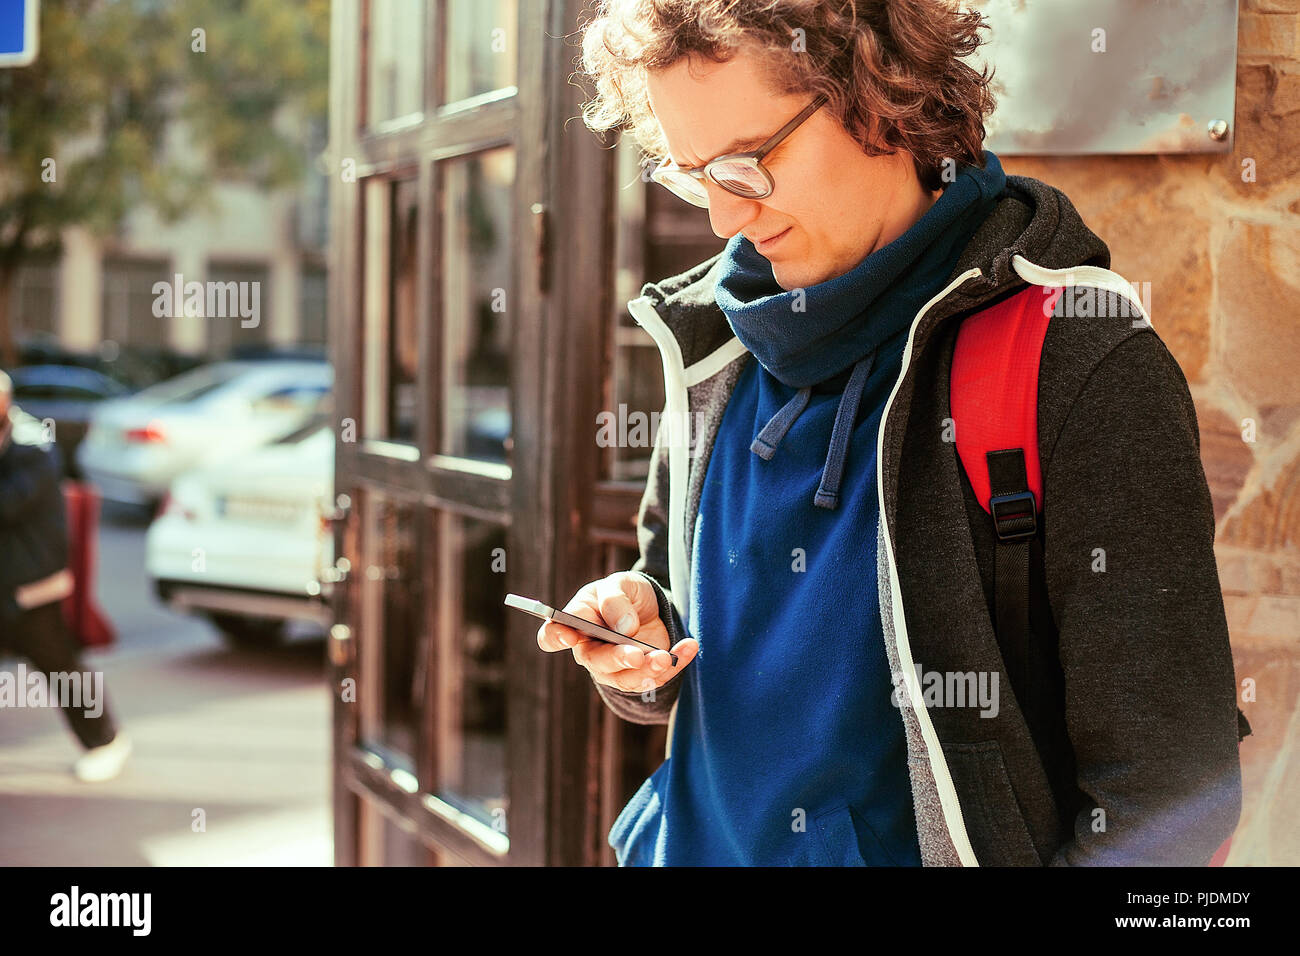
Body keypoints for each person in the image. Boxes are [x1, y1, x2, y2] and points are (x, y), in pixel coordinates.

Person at [534, 0, 1244, 866]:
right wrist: (641, 637)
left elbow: (1172, 803)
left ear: (882, 100)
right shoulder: (714, 340)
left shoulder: (1080, 358)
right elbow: (678, 604)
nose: (723, 218)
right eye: (693, 175)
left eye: (747, 164)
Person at [0, 369, 132, 782]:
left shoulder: (32, 444)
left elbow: (8, 504)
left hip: (31, 580)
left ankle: (106, 741)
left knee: (58, 664)